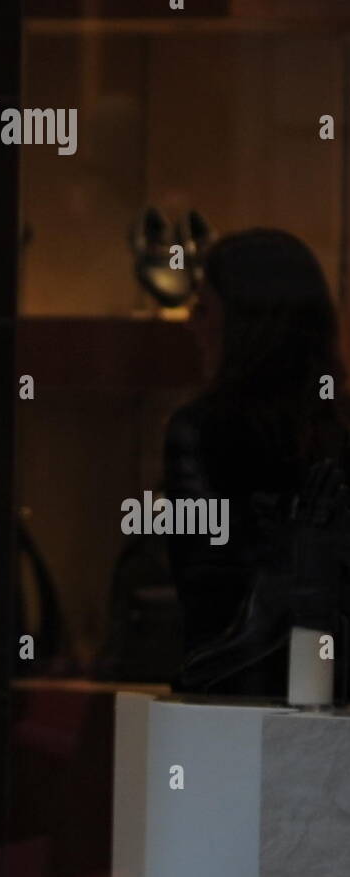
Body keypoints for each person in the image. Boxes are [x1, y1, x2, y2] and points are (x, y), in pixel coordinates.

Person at [165, 228, 350, 695]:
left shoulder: (202, 432)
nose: (190, 323)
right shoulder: (336, 433)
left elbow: (205, 593)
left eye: (204, 308)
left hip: (235, 698)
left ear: (245, 323)